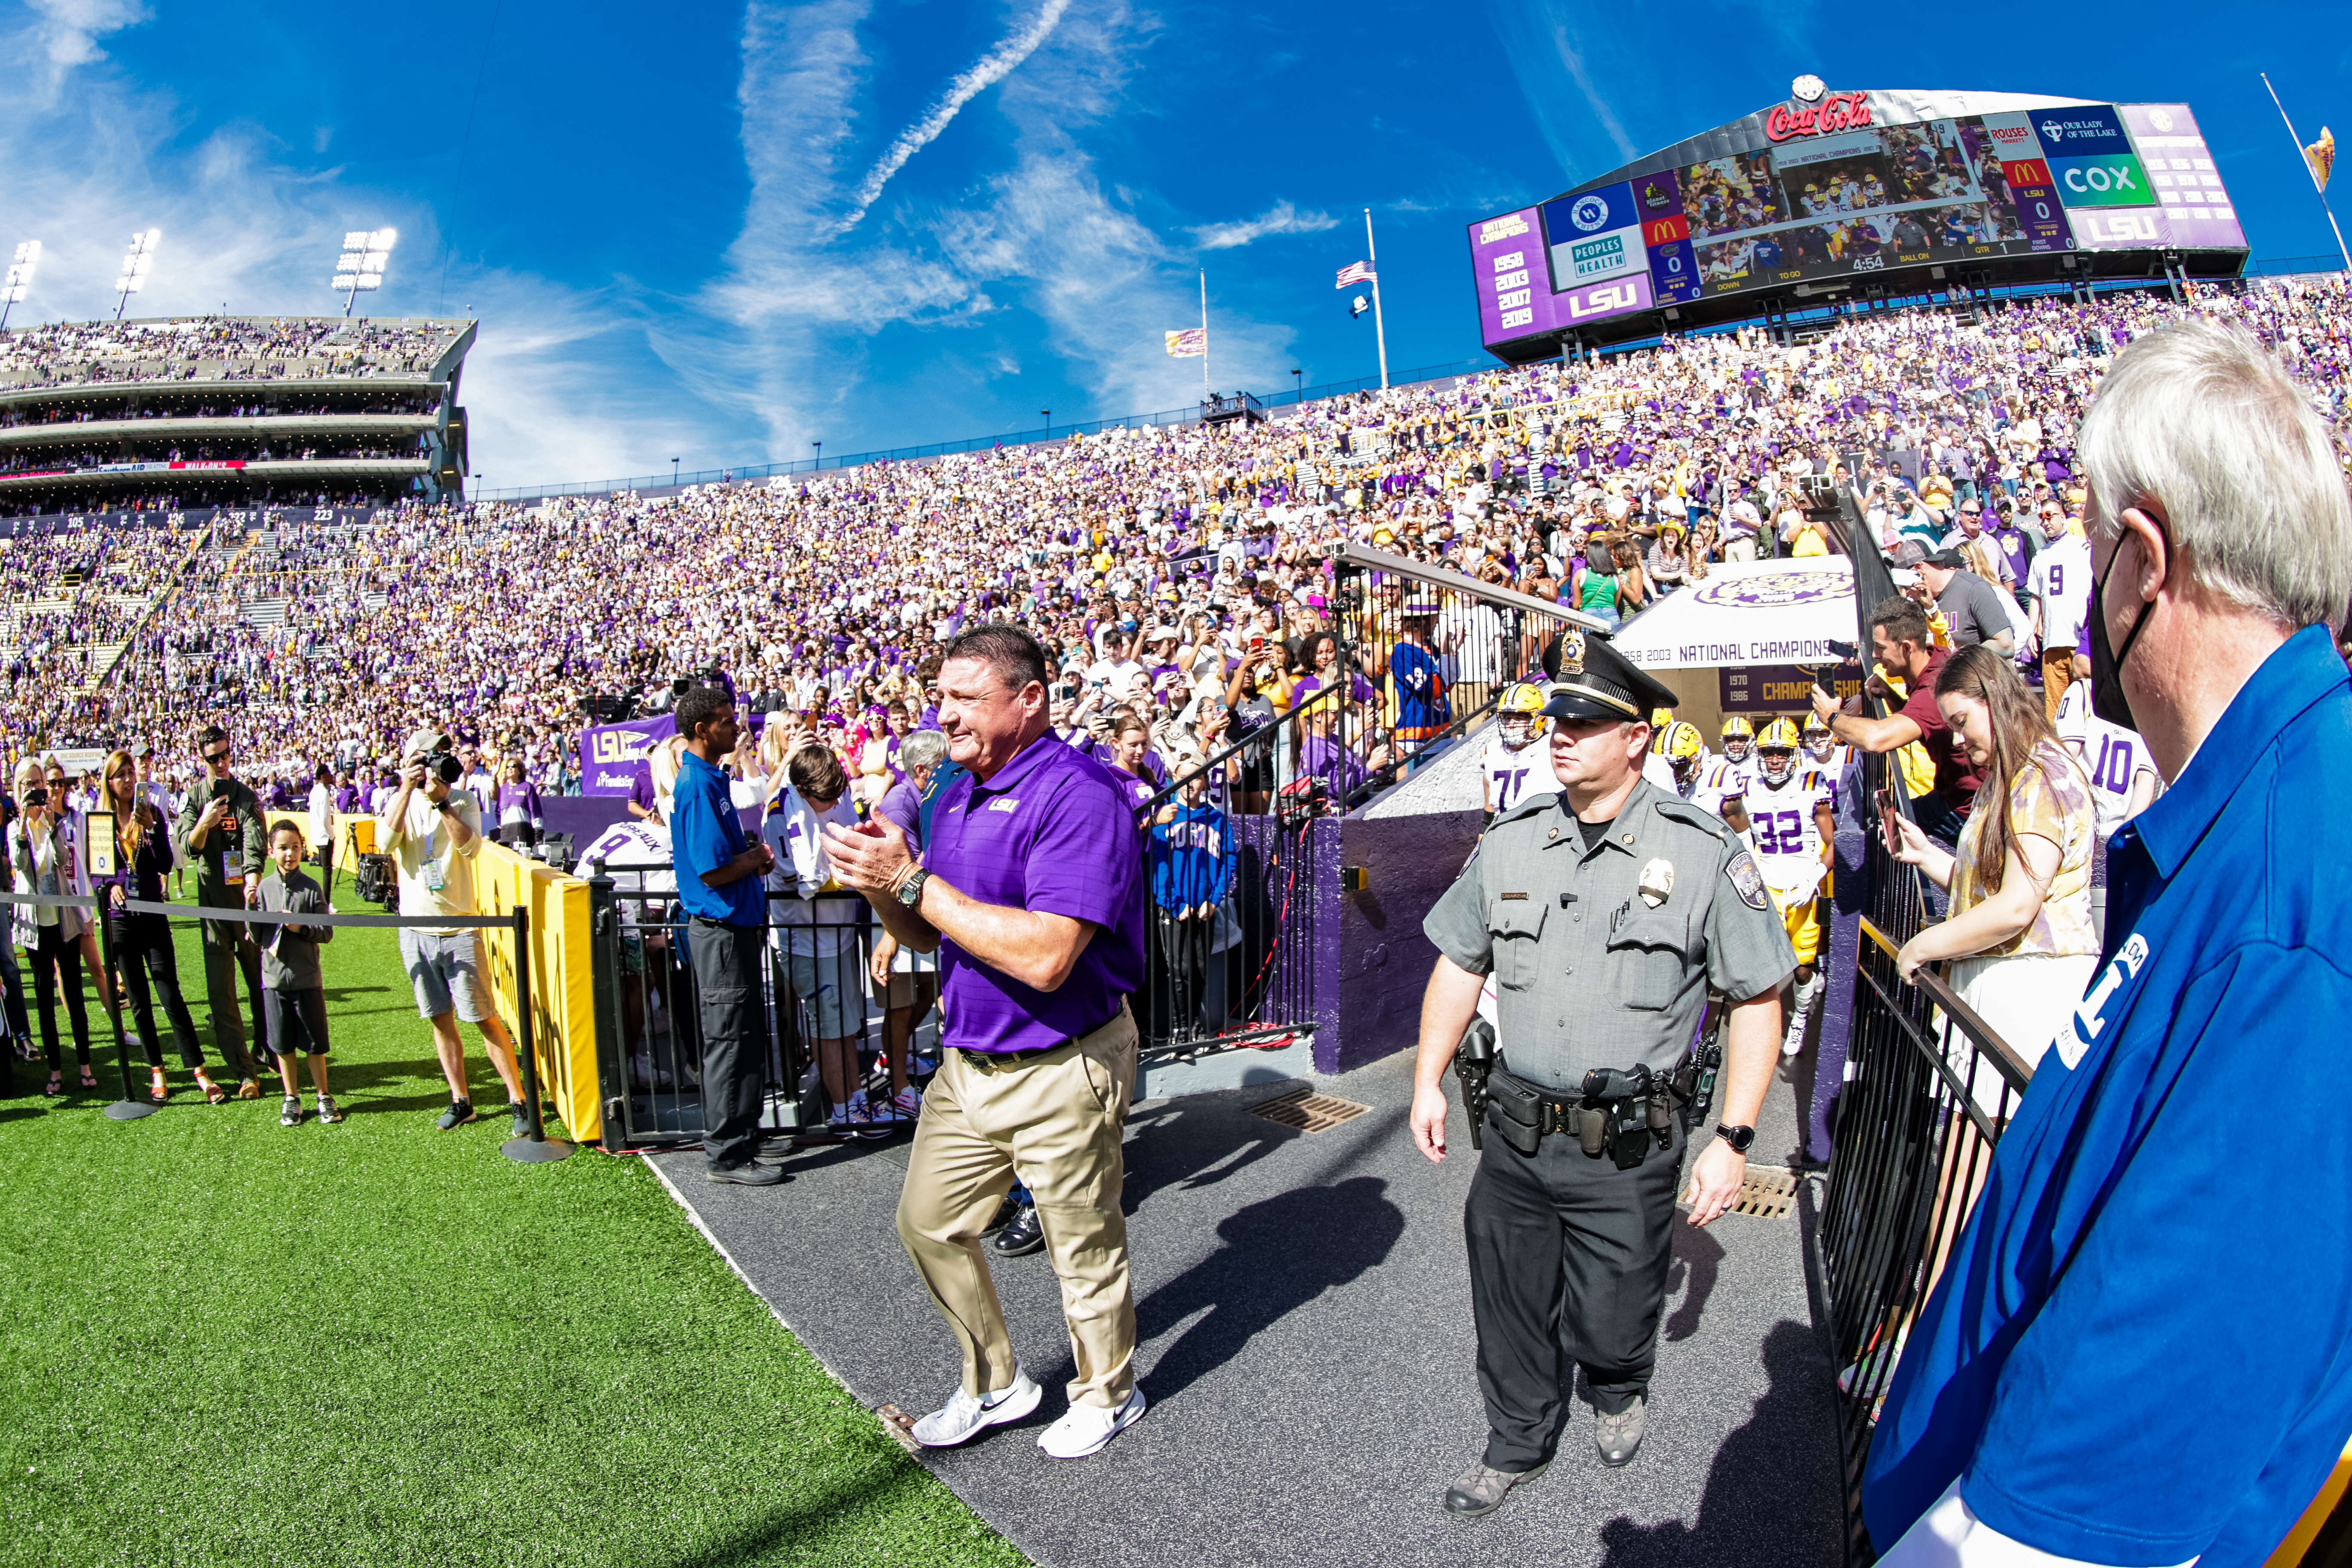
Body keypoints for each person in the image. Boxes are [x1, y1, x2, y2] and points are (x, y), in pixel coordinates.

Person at [1863, 318, 2352, 1566]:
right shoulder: (2270, 815)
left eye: (2085, 549)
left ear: (2142, 559)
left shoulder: (2295, 874)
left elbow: (2122, 1453)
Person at [1408, 631, 1796, 1518]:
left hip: (1629, 1147)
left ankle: (1618, 1382)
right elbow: (1461, 964)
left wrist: (1734, 1139)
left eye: (1586, 721)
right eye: (1556, 717)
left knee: (1616, 1310)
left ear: (1636, 739)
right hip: (1513, 1132)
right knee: (1506, 1301)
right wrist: (1428, 1078)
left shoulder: (1703, 853)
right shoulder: (1511, 842)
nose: (1561, 733)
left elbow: (1757, 997)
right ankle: (1515, 1440)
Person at [822, 623, 1151, 1462]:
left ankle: (1109, 1392)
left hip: (1064, 1060)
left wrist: (913, 883)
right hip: (969, 1064)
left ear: (1030, 700)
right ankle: (997, 1380)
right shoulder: (951, 796)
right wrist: (885, 893)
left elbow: (1046, 957)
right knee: (929, 1223)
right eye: (943, 698)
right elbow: (932, 932)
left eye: (967, 697)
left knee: (1083, 1251)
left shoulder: (1081, 793)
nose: (947, 715)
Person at [379, 726, 530, 1137]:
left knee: (483, 1016)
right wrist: (407, 790)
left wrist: (442, 805)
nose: (439, 764)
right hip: (416, 929)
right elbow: (384, 842)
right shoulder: (401, 802)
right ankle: (461, 1100)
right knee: (440, 1018)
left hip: (462, 927)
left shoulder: (463, 799)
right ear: (413, 760)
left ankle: (518, 1098)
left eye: (443, 755)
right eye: (431, 757)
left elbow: (471, 848)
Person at [668, 685, 786, 1183]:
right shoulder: (696, 785)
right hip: (718, 928)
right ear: (702, 730)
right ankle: (727, 1153)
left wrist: (747, 854)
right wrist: (756, 859)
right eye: (724, 720)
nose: (736, 726)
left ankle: (743, 1133)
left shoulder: (709, 779)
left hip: (731, 927)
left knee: (743, 1037)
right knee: (728, 1040)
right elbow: (711, 870)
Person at [761, 742, 876, 1139]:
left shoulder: (834, 795)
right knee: (828, 1026)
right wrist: (858, 876)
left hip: (836, 931)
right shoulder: (781, 813)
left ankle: (856, 1097)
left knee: (845, 1023)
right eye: (826, 798)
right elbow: (804, 883)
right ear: (804, 791)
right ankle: (844, 1109)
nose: (834, 803)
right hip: (806, 939)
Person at [1812, 597, 1980, 848]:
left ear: (1906, 647)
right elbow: (1930, 721)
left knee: (1888, 829)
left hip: (1965, 809)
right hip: (1959, 795)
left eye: (1880, 648)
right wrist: (1891, 697)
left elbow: (1876, 739)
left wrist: (1831, 718)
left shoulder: (1934, 689)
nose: (1874, 655)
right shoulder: (1940, 658)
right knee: (1891, 819)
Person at [96, 750, 211, 1105]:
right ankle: (157, 1069)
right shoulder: (100, 821)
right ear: (110, 782)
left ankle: (199, 1070)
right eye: (121, 775)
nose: (129, 780)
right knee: (139, 1002)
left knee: (170, 993)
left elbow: (163, 864)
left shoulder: (154, 814)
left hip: (152, 914)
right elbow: (96, 870)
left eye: (132, 773)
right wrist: (110, 884)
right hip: (120, 922)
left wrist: (153, 829)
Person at [175, 725, 268, 1097]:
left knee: (262, 984)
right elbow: (186, 846)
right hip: (213, 908)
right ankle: (244, 1070)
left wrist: (252, 879)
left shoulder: (245, 796)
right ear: (203, 759)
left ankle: (269, 1048)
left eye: (226, 754)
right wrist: (205, 822)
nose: (222, 761)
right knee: (221, 993)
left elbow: (254, 841)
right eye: (214, 757)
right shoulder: (194, 797)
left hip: (244, 905)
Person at [1735, 718, 1836, 1059]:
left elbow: (1833, 842)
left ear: (1794, 754)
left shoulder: (1813, 784)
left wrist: (1814, 876)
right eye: (1768, 753)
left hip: (1801, 881)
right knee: (1760, 965)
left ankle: (1801, 1017)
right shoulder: (1748, 786)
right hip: (1767, 883)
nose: (1775, 760)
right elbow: (1735, 822)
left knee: (1802, 967)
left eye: (1781, 753)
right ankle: (1763, 1025)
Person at [870, 728, 950, 1127]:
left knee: (926, 995)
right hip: (898, 919)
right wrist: (890, 935)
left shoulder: (929, 796)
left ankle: (893, 1057)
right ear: (921, 770)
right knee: (899, 1008)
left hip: (921, 917)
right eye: (942, 764)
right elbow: (899, 876)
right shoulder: (899, 805)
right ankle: (900, 1086)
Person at [9, 765, 94, 1095]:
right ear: (18, 789)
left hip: (64, 922)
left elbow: (62, 858)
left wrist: (50, 825)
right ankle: (56, 1070)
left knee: (73, 993)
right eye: (28, 784)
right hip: (35, 925)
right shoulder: (14, 830)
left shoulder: (55, 823)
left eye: (39, 783)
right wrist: (23, 826)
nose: (35, 789)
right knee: (44, 999)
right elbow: (21, 865)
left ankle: (85, 1065)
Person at [250, 822, 342, 1127]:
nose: (289, 854)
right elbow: (255, 934)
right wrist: (250, 907)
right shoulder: (264, 888)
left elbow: (326, 933)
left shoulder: (312, 888)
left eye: (295, 847)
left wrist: (299, 928)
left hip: (307, 980)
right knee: (283, 1044)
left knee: (315, 1044)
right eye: (282, 848)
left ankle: (323, 1094)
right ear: (271, 851)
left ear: (303, 848)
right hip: (274, 981)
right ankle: (292, 1097)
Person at [2024, 505, 2091, 722]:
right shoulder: (2040, 556)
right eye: (2042, 518)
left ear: (2063, 518)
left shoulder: (2082, 549)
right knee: (2056, 712)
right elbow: (2036, 597)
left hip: (2077, 640)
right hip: (2053, 642)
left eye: (2050, 516)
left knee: (2087, 709)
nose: (2046, 521)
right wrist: (2030, 632)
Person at [1481, 681, 1556, 821]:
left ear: (1538, 719)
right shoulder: (1493, 751)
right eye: (1507, 718)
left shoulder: (1551, 747)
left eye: (1519, 717)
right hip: (1500, 829)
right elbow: (1489, 808)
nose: (1511, 724)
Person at [1917, 550, 2018, 653]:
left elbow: (2006, 646)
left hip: (1975, 667)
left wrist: (1959, 658)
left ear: (1919, 569)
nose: (1906, 593)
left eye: (1906, 587)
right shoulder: (1921, 602)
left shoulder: (1974, 587)